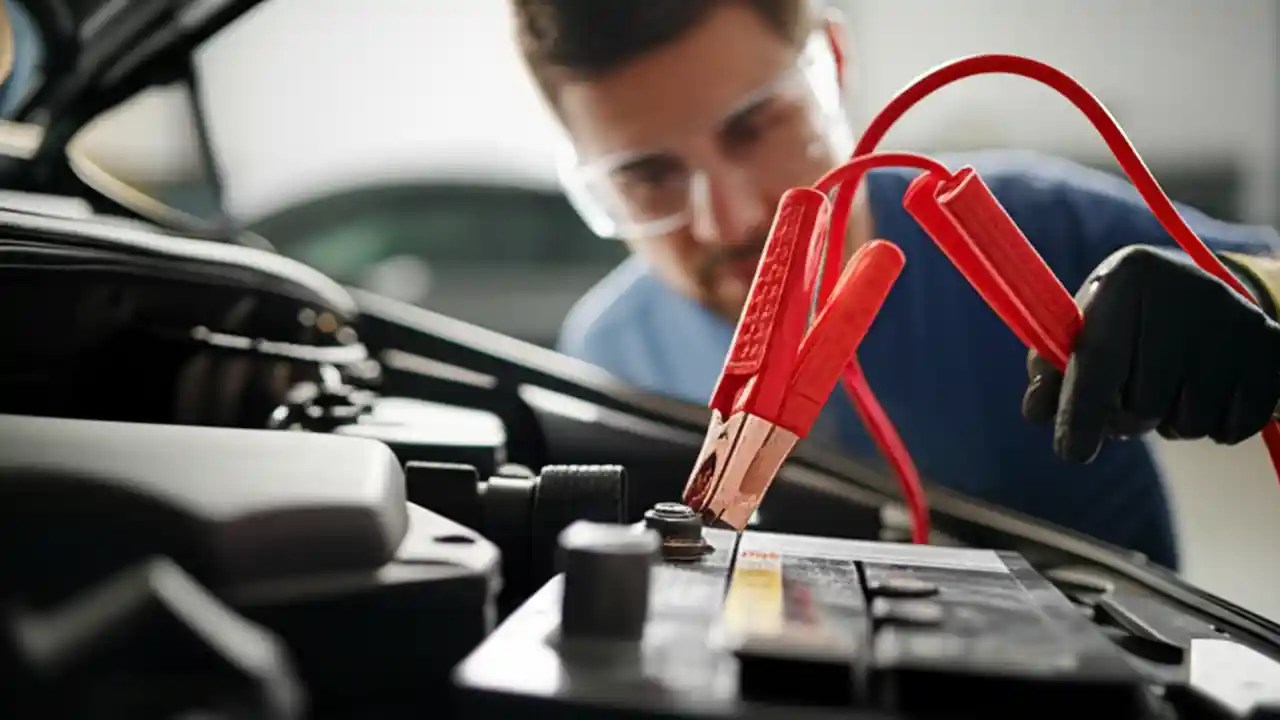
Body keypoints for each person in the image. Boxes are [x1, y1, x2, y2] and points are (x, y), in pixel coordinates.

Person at [508, 0, 1280, 569]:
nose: (730, 220)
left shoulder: (1034, 227)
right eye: (648, 177)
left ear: (832, 68)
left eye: (754, 126)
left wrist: (1252, 295)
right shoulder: (608, 349)